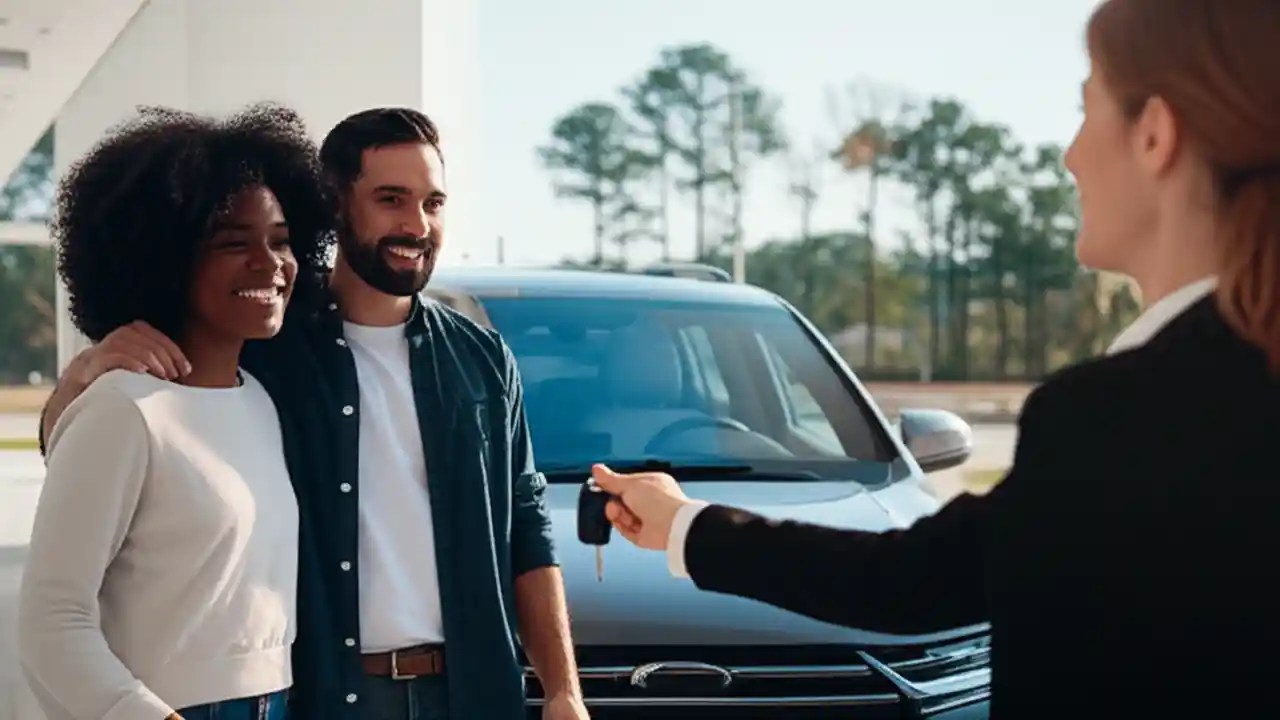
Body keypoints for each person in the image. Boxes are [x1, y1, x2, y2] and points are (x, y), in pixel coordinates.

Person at [589, 0, 1280, 717]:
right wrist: (684, 523)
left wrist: (683, 524)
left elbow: (914, 579)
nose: (1070, 155)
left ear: (1155, 135)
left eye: (1085, 109)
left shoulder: (1111, 420)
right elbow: (929, 572)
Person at [39, 108, 588, 720]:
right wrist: (86, 374)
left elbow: (528, 529)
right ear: (333, 203)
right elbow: (104, 446)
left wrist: (563, 689)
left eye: (433, 203)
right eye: (391, 199)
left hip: (472, 692)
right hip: (329, 694)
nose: (417, 223)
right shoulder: (268, 346)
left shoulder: (481, 360)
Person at [19, 104, 331, 720]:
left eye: (281, 240)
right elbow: (51, 623)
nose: (269, 264)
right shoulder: (122, 410)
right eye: (232, 243)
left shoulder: (260, 403)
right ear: (164, 257)